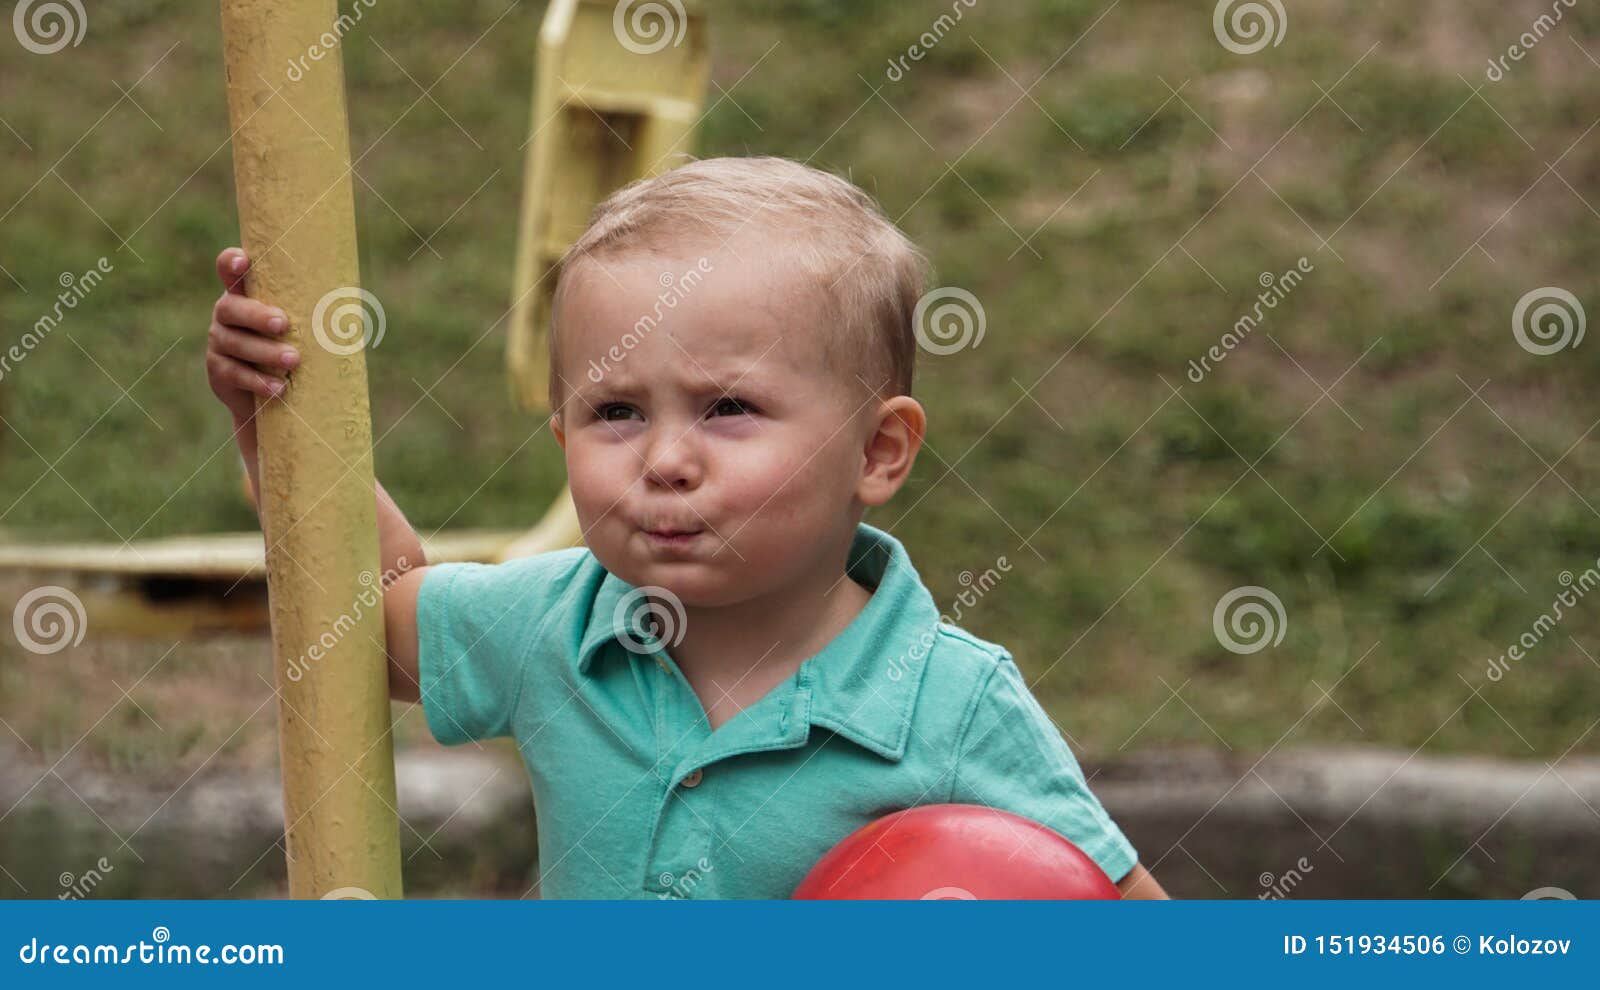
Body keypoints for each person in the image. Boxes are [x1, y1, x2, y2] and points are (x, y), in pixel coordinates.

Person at [204, 155, 1169, 900]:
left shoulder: (950, 703)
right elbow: (369, 631)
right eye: (615, 412)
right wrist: (278, 435)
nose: (664, 459)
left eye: (728, 408)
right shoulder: (556, 622)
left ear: (877, 453)